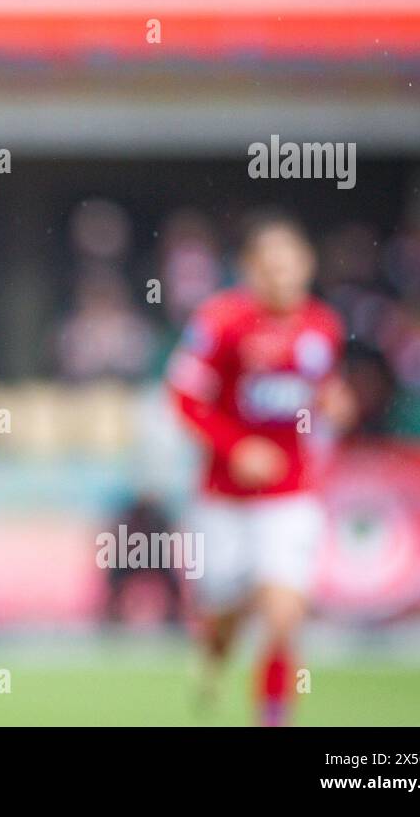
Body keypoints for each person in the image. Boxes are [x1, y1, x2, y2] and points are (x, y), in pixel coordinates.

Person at [167, 213, 356, 726]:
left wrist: (336, 406)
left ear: (306, 266)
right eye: (268, 267)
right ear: (249, 269)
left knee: (281, 615)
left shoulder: (323, 326)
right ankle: (212, 657)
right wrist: (237, 448)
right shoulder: (220, 321)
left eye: (288, 266)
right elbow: (183, 396)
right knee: (224, 619)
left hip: (290, 495)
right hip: (222, 500)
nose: (279, 277)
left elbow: (324, 396)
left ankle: (272, 718)